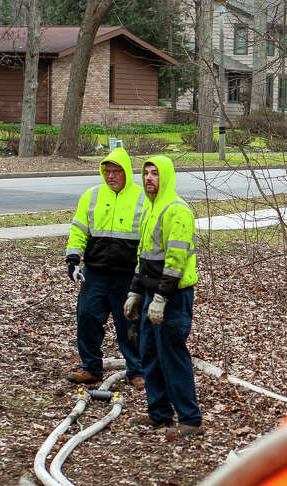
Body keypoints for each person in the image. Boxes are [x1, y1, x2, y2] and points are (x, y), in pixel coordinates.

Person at [123, 156, 202, 435]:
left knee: (172, 356)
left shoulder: (177, 210)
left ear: (166, 177)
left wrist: (161, 298)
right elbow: (143, 256)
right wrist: (135, 291)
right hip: (149, 294)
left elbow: (177, 260)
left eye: (155, 173)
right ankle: (158, 414)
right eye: (146, 173)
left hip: (172, 298)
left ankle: (190, 420)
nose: (148, 178)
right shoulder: (150, 207)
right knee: (150, 355)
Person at [64, 146, 145, 389]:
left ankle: (137, 371)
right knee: (87, 319)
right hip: (95, 273)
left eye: (116, 171)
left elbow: (149, 239)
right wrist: (73, 257)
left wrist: (143, 272)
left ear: (127, 172)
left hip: (127, 276)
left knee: (129, 325)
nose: (111, 176)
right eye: (107, 171)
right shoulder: (92, 196)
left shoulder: (142, 198)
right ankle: (91, 369)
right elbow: (79, 229)